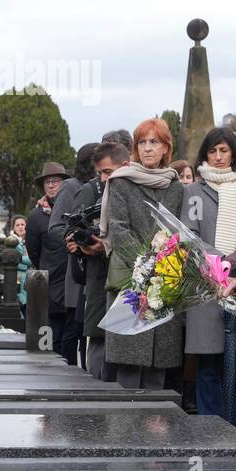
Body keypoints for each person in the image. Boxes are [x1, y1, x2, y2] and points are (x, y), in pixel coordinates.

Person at [179, 127, 236, 429]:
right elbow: (188, 235)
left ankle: (235, 437)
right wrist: (218, 260)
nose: (217, 157)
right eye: (212, 151)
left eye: (223, 150)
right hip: (206, 289)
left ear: (234, 153)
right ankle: (207, 435)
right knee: (207, 367)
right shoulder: (193, 192)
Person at [102, 118, 186, 389]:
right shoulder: (121, 182)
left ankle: (154, 430)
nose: (148, 148)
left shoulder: (176, 188)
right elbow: (118, 229)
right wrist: (146, 266)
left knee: (157, 371)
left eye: (155, 142)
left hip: (166, 284)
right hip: (131, 281)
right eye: (143, 142)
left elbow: (181, 233)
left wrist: (165, 266)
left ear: (166, 148)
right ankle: (124, 430)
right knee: (129, 366)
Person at [80, 141, 127, 380]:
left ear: (125, 166)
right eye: (100, 173)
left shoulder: (131, 194)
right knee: (97, 348)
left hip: (123, 281)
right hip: (99, 280)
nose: (103, 178)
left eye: (108, 172)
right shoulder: (95, 195)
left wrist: (105, 245)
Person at [50, 144, 98, 367]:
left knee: (84, 328)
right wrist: (77, 237)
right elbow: (56, 226)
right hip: (76, 266)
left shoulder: (99, 187)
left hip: (94, 267)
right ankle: (68, 369)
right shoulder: (71, 187)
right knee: (73, 326)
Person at [26, 162, 71, 354]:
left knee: (72, 337)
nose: (51, 185)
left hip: (73, 282)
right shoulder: (36, 216)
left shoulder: (73, 209)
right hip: (50, 283)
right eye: (47, 182)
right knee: (54, 337)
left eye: (56, 181)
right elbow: (33, 251)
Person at [12, 215, 31, 315]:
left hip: (29, 280)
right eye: (17, 225)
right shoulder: (12, 242)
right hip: (17, 280)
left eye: (23, 224)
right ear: (13, 228)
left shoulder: (31, 240)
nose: (20, 227)